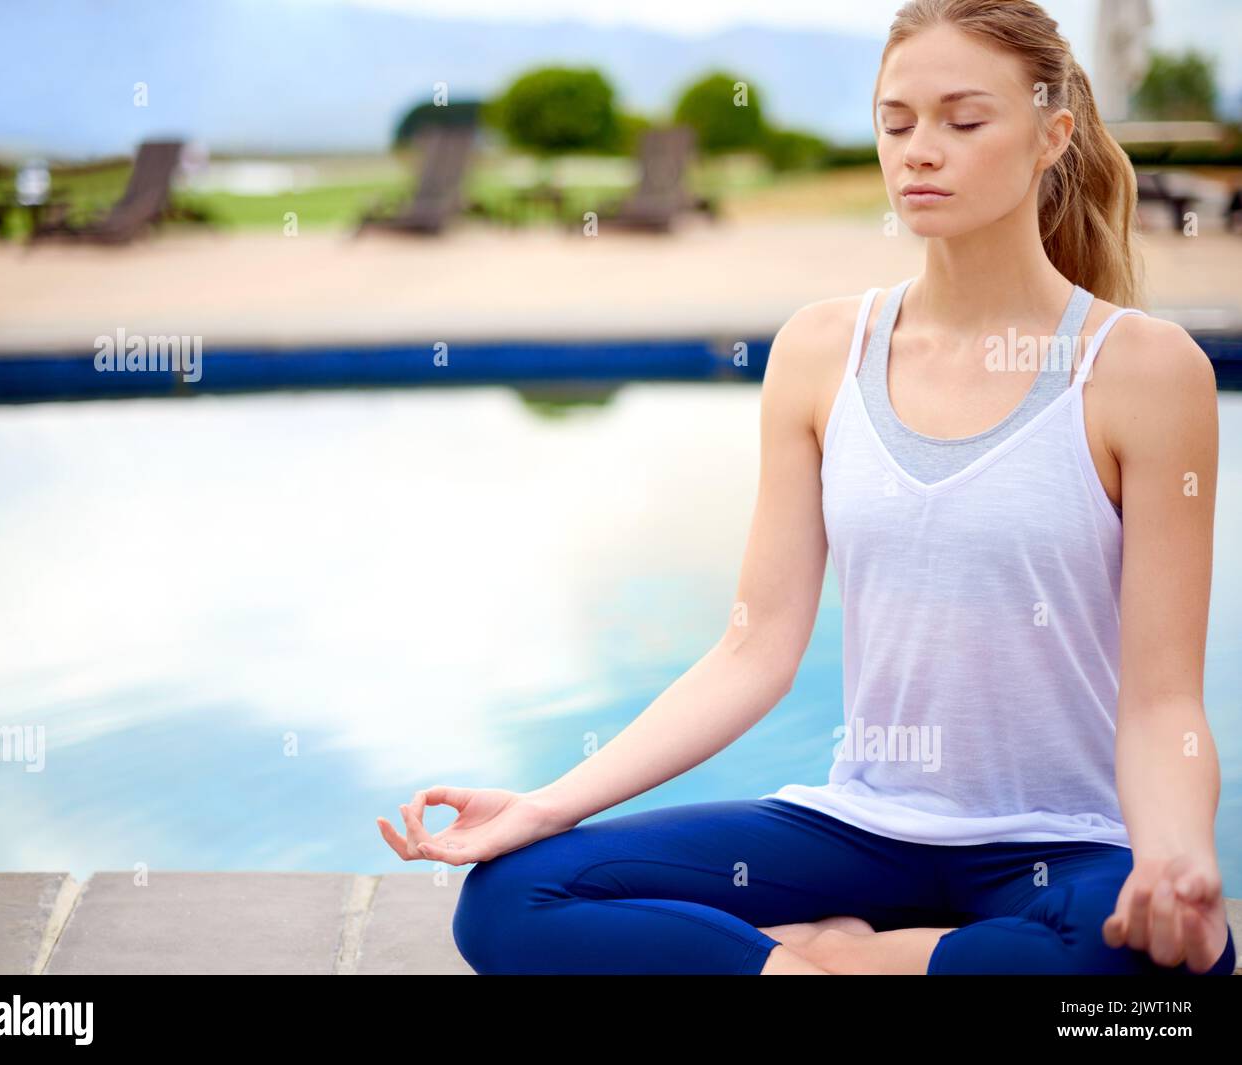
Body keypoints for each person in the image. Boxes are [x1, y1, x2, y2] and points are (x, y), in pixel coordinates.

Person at [377, 0, 1236, 975]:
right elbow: (754, 648)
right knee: (512, 898)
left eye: (963, 120)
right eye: (895, 119)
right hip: (860, 830)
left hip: (1060, 846)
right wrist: (544, 804)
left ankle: (848, 958)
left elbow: (1164, 705)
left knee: (1162, 973)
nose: (919, 150)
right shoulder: (823, 352)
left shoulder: (1145, 372)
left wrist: (1175, 857)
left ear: (1052, 134)